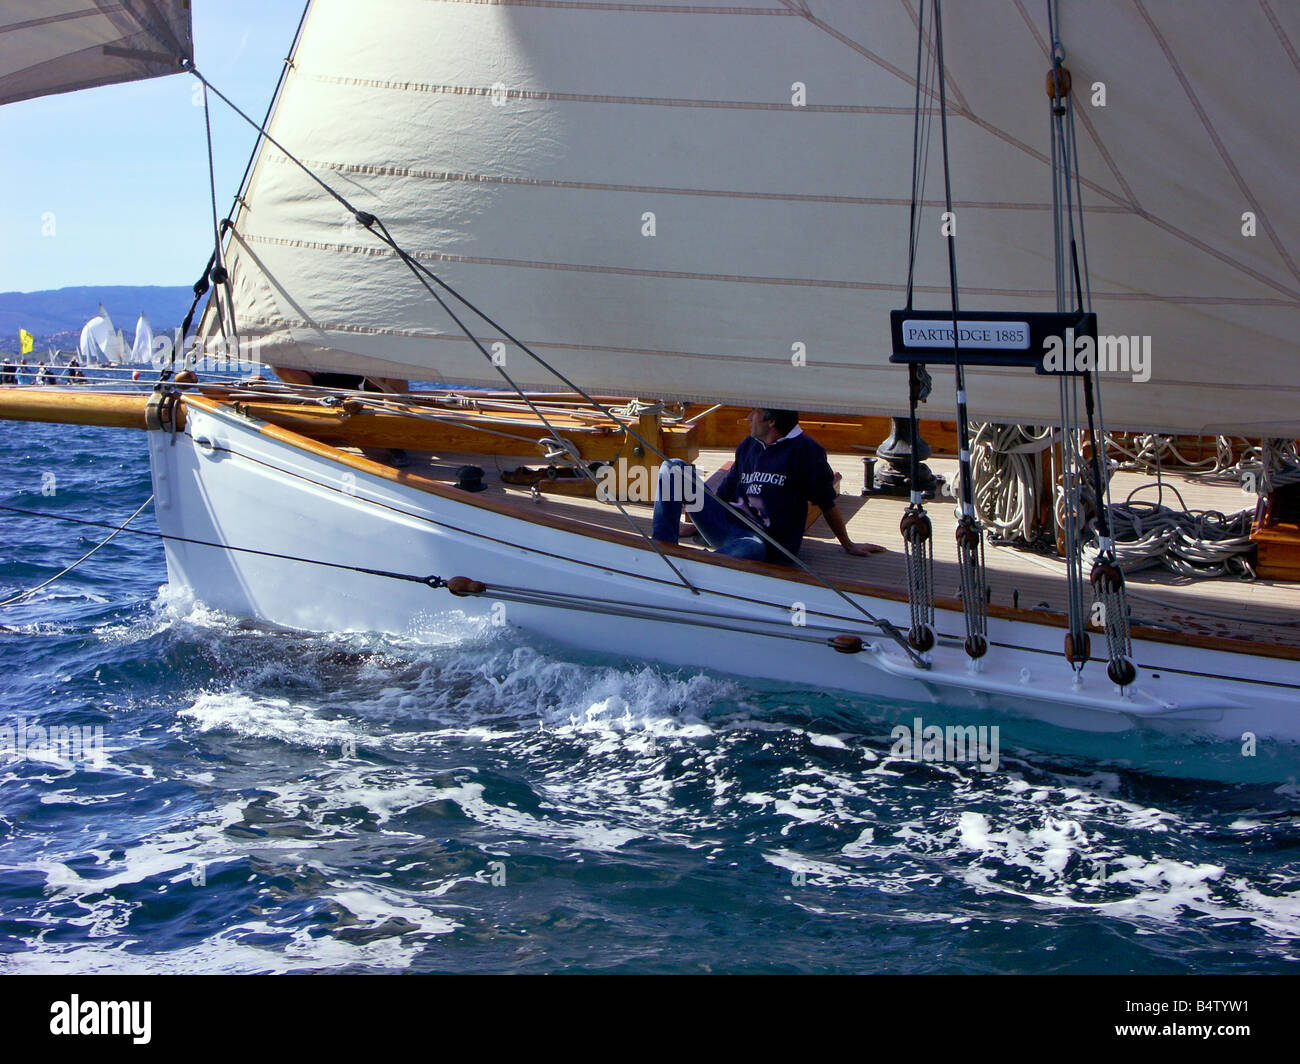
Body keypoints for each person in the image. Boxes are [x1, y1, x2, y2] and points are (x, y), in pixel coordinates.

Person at [652, 407, 884, 564]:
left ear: (771, 421)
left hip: (763, 543)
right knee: (673, 468)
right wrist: (697, 525)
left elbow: (826, 502)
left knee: (751, 548)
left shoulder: (806, 452)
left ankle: (697, 568)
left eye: (755, 413)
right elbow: (726, 488)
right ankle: (663, 552)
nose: (749, 418)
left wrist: (848, 544)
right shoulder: (749, 445)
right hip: (726, 526)